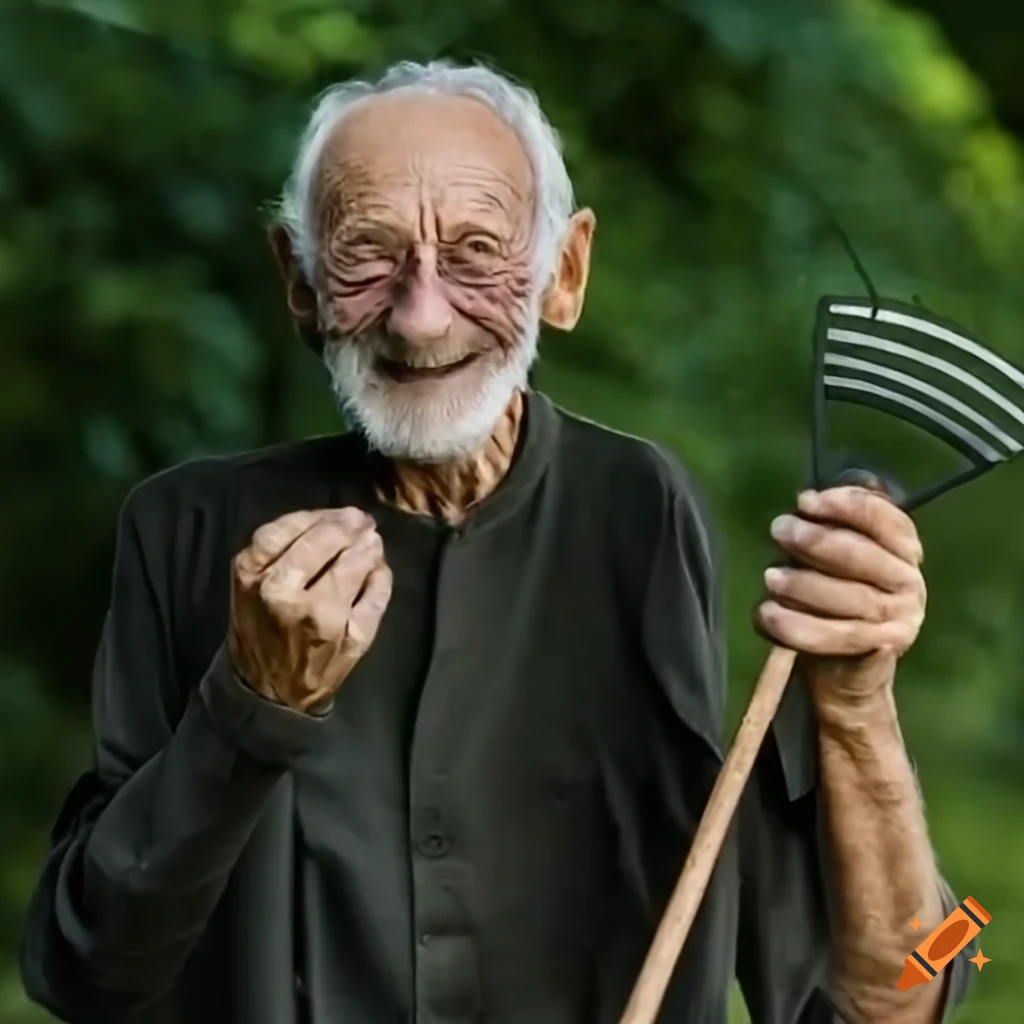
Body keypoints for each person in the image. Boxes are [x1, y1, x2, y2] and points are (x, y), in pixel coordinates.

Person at [20, 60, 972, 1024]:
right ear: (300, 282)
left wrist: (858, 710)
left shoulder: (646, 516)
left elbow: (918, 985)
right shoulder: (186, 530)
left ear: (566, 273)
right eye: (367, 253)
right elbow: (78, 970)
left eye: (475, 252)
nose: (421, 315)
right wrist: (248, 707)